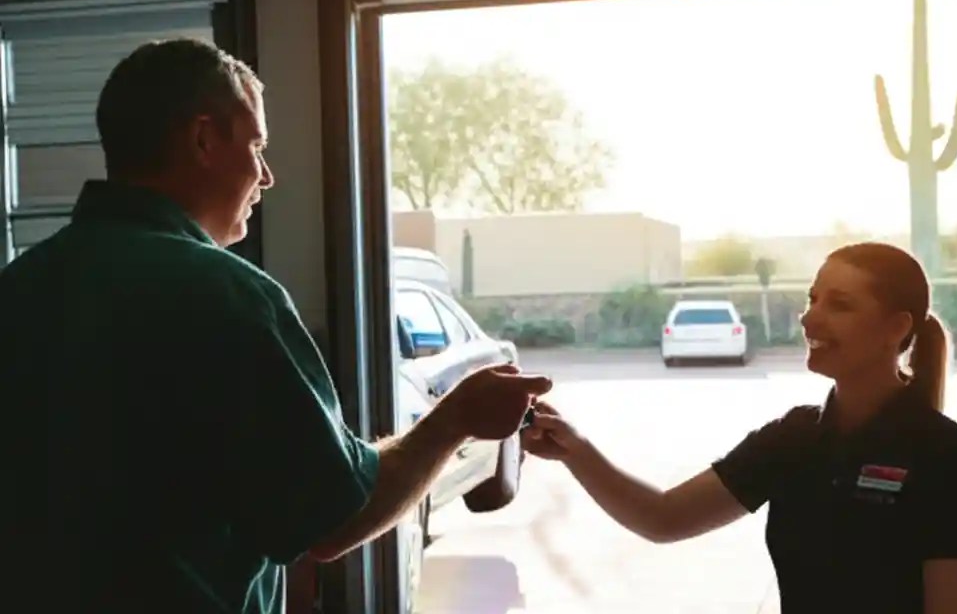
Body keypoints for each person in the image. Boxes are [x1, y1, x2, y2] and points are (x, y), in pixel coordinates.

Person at [1, 38, 550, 613]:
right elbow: (334, 519)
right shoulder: (229, 297)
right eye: (257, 145)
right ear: (204, 139)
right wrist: (456, 418)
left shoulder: (19, 288)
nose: (266, 177)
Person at [523, 242, 957, 614]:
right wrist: (575, 450)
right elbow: (663, 518)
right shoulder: (793, 438)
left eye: (840, 304)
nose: (810, 318)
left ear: (896, 328)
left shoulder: (945, 456)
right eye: (813, 299)